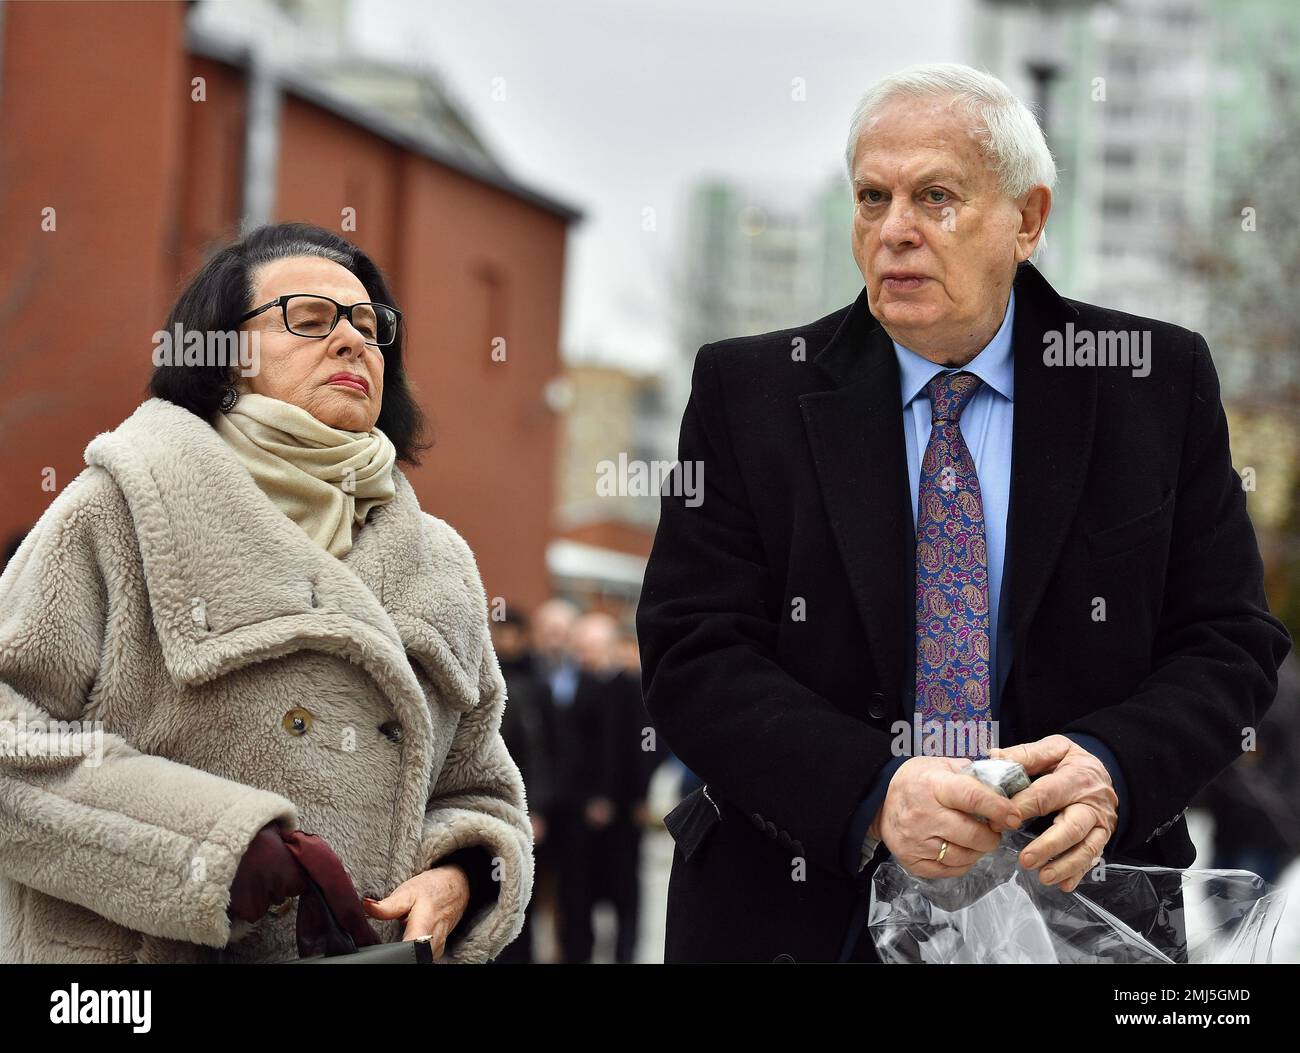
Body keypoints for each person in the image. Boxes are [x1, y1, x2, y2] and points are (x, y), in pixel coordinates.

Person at [636, 63, 1292, 963]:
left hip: (1090, 914)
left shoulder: (1154, 382)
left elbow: (1231, 640)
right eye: (873, 196)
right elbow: (690, 650)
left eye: (936, 196)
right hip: (797, 912)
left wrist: (1113, 764)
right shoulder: (745, 391)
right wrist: (872, 793)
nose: (895, 229)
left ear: (1027, 220)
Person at [0, 222, 532, 964]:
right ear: (223, 354)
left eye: (368, 326)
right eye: (309, 320)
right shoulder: (121, 505)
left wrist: (461, 875)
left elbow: (480, 791)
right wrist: (213, 848)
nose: (352, 341)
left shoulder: (439, 562)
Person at [490, 606, 556, 963]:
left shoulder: (536, 685)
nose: (502, 641)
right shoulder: (487, 679)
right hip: (492, 804)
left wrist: (540, 808)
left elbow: (545, 752)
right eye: (498, 633)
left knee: (523, 895)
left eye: (508, 633)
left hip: (527, 807)